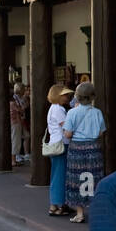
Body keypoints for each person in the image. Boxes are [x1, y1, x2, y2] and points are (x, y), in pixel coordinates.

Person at [63, 81, 106, 223]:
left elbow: (68, 134)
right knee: (94, 178)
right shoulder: (97, 112)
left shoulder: (72, 113)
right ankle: (95, 210)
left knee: (78, 179)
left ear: (77, 96)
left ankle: (80, 213)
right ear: (92, 97)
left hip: (77, 150)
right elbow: (101, 133)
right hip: (93, 148)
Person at [46, 84, 74, 216]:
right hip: (61, 144)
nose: (67, 97)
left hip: (55, 143)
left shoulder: (54, 108)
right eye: (64, 95)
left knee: (57, 174)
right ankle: (57, 204)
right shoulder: (59, 110)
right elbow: (66, 127)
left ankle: (57, 204)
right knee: (60, 175)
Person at [10, 85, 25, 167]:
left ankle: (13, 159)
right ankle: (13, 160)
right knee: (15, 141)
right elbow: (20, 110)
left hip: (12, 122)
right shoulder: (12, 103)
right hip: (15, 122)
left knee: (13, 140)